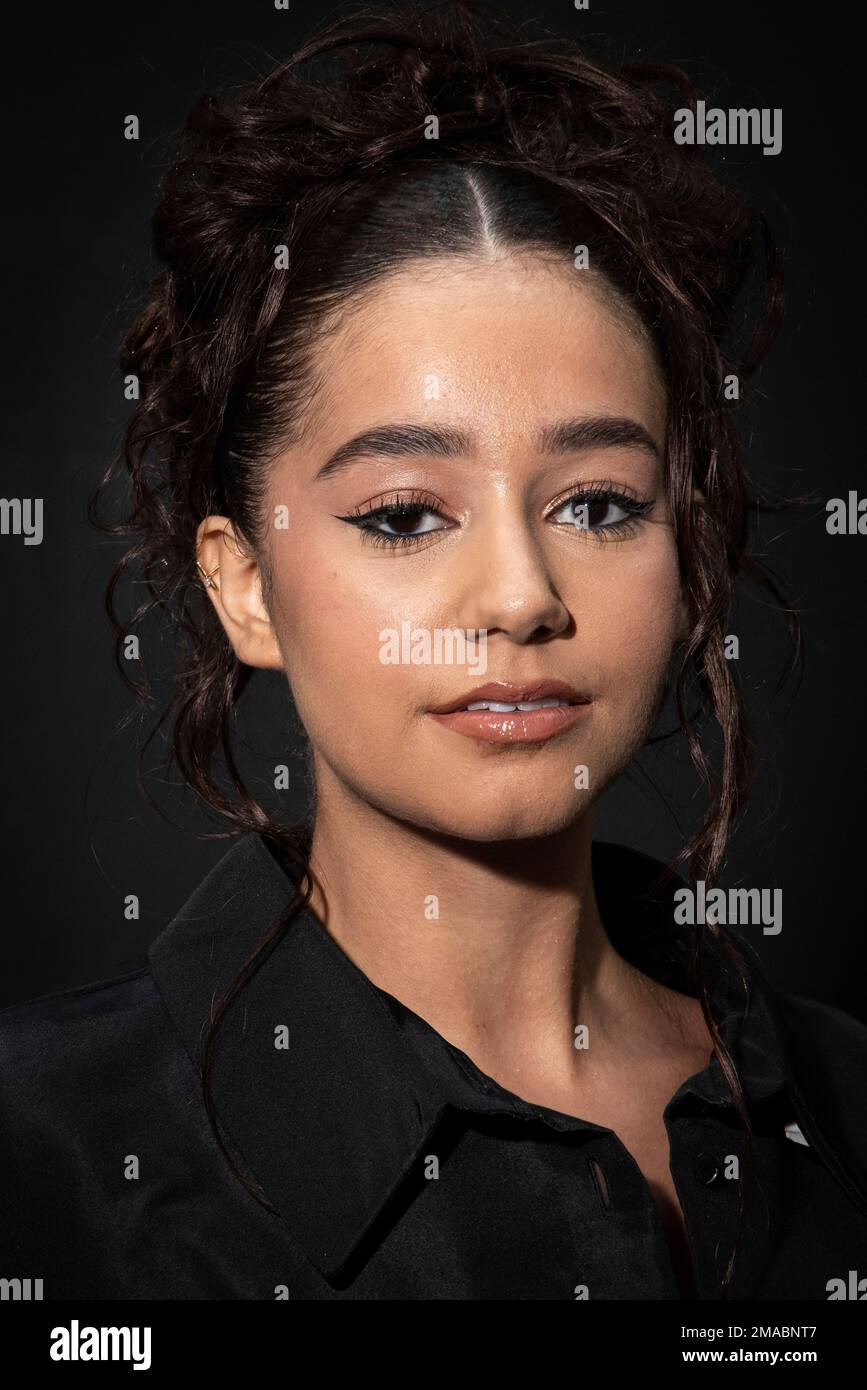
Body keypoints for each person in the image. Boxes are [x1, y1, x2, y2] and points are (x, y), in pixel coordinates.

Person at [2, 0, 866, 1302]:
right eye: (405, 514)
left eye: (598, 504)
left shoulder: (846, 1098)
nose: (520, 597)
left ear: (689, 560)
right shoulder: (41, 1155)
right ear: (244, 586)